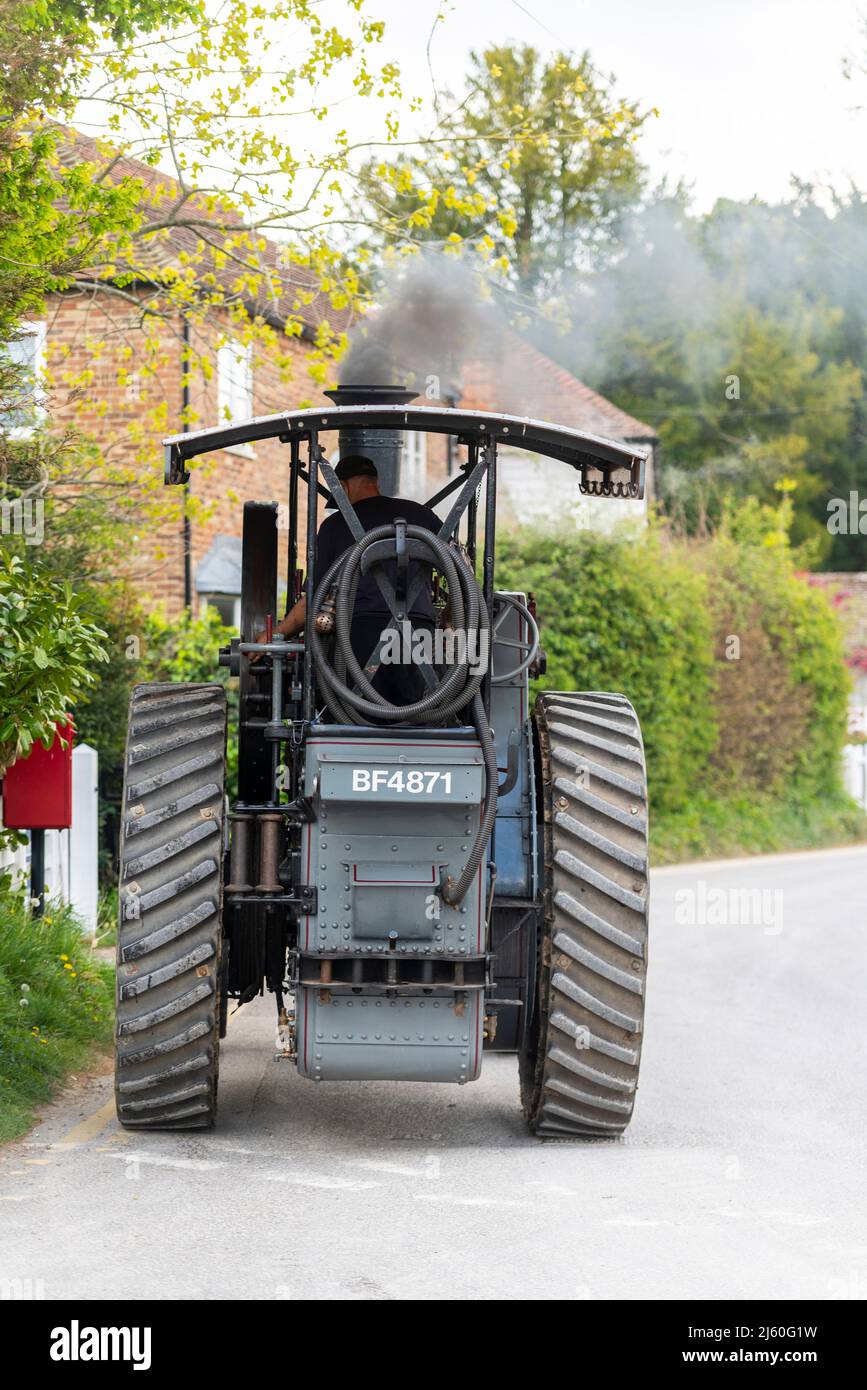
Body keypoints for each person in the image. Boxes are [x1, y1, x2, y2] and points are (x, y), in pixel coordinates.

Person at [256, 454, 442, 704]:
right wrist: (451, 621)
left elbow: (314, 599)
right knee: (415, 712)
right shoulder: (423, 516)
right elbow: (463, 576)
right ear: (374, 481)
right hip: (420, 631)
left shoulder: (334, 526)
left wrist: (275, 635)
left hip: (359, 632)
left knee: (357, 712)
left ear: (342, 487)